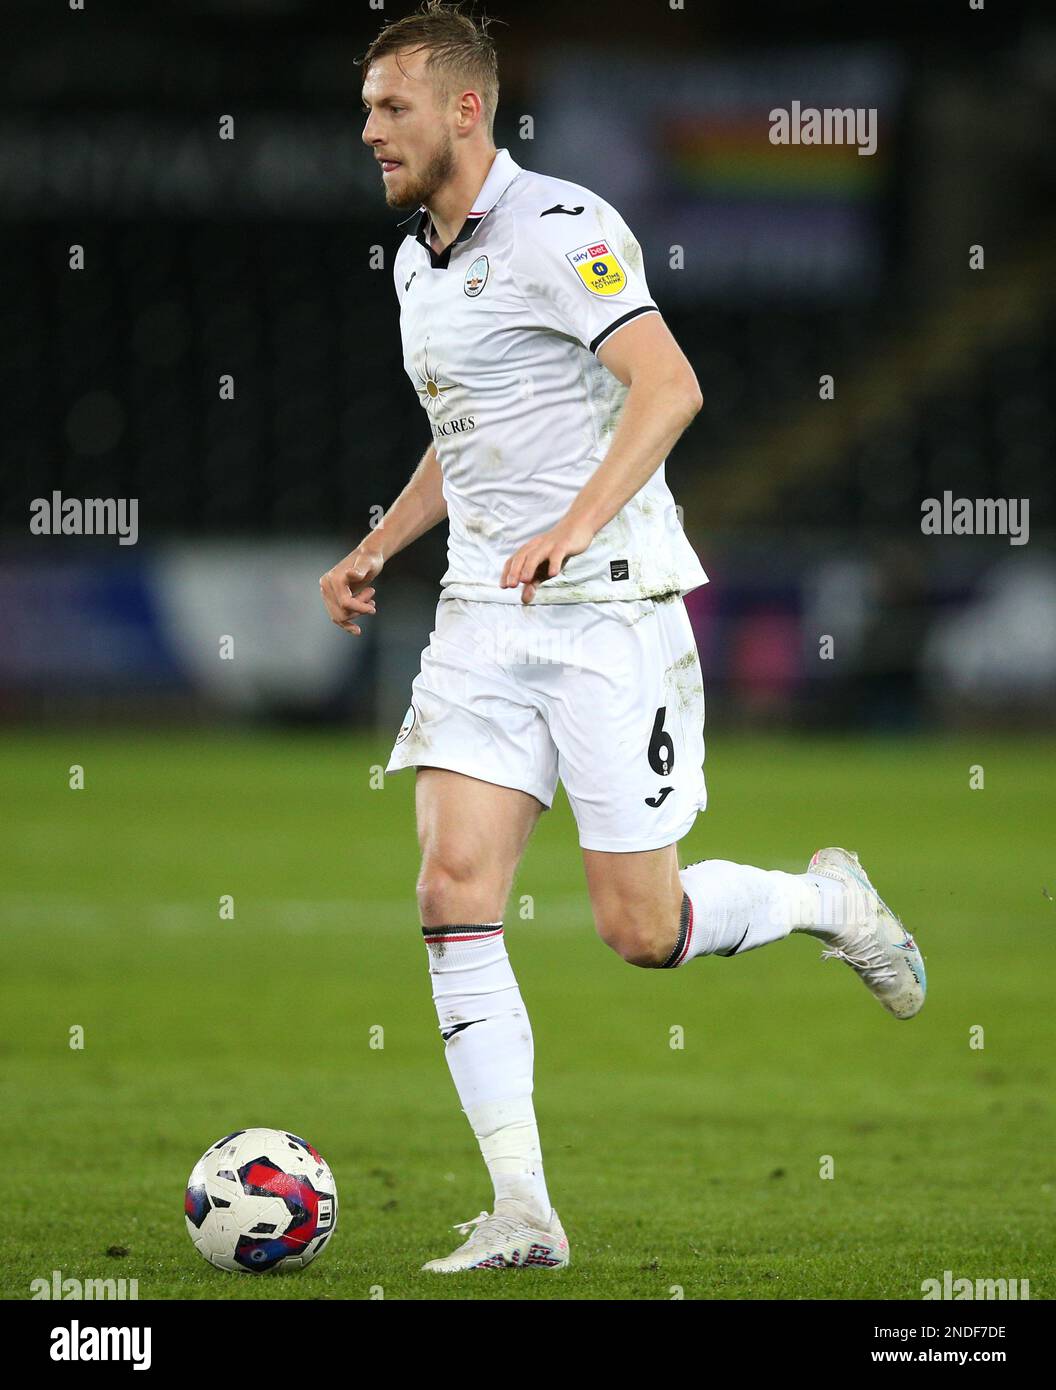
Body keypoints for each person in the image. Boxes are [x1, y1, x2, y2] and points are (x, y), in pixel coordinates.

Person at [319, 1, 926, 1274]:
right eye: (367, 108)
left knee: (639, 930)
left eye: (391, 107)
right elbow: (471, 432)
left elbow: (671, 384)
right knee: (450, 890)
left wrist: (576, 530)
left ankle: (831, 900)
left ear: (466, 107)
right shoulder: (414, 263)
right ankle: (525, 1210)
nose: (368, 129)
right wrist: (383, 541)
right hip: (485, 618)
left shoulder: (565, 226)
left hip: (610, 615)